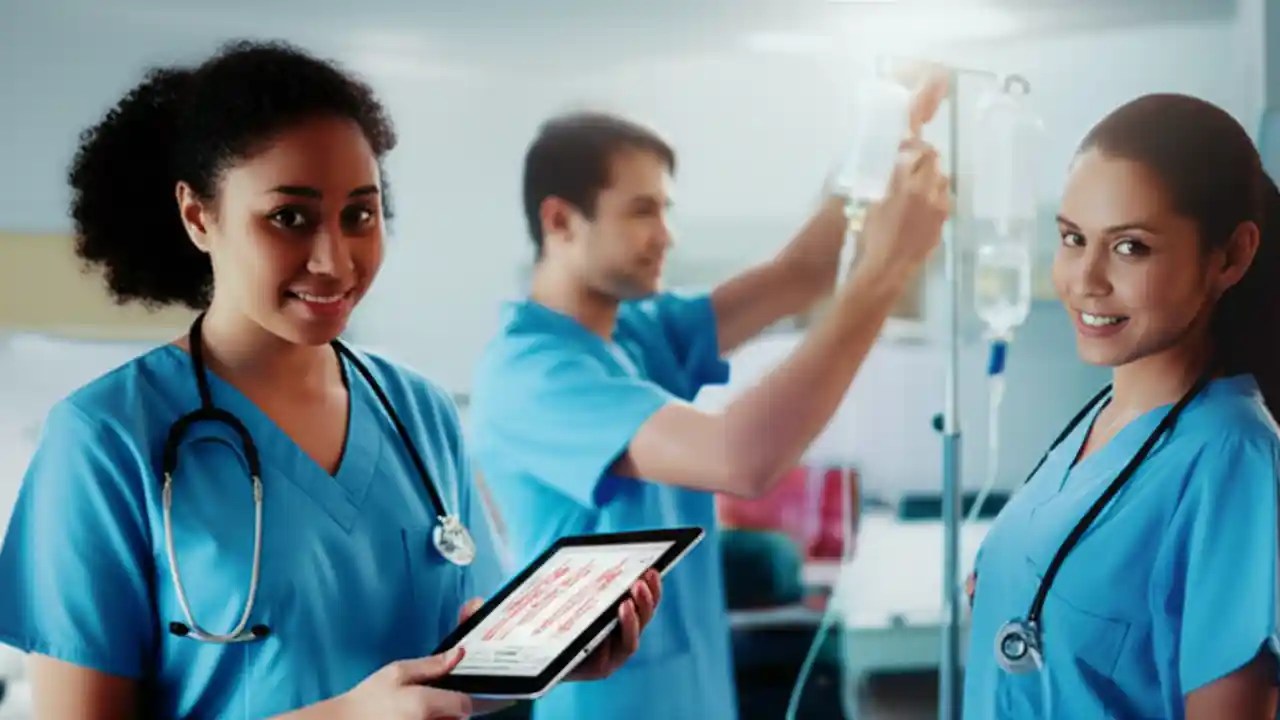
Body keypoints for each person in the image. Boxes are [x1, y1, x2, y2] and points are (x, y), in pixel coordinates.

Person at [0, 39, 662, 720]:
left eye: (360, 215)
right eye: (290, 217)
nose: (334, 259)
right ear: (199, 215)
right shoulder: (104, 438)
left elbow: (442, 681)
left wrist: (543, 662)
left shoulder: (420, 413)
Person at [466, 78, 953, 719]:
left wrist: (884, 128)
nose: (667, 235)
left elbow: (801, 273)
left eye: (667, 209)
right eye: (643, 211)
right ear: (559, 221)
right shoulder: (531, 372)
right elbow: (741, 457)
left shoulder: (637, 332)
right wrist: (885, 273)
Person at [963, 93, 1280, 719]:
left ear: (1232, 256)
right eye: (1073, 238)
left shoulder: (1230, 459)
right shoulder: (1097, 422)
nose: (1086, 279)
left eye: (1130, 247)